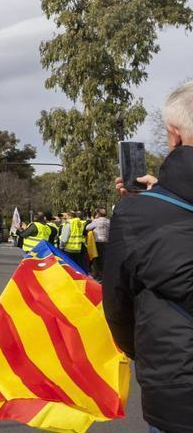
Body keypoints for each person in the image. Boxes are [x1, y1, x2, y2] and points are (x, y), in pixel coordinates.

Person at [104, 81, 193, 433]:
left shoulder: (137, 216)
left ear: (173, 134)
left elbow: (118, 307)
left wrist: (157, 200)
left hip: (179, 394)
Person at [85, 208, 111, 279]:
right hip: (107, 242)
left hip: (98, 242)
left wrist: (92, 221)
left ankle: (98, 275)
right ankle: (104, 275)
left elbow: (87, 228)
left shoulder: (96, 221)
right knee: (104, 259)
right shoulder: (109, 221)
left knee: (96, 259)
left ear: (98, 214)